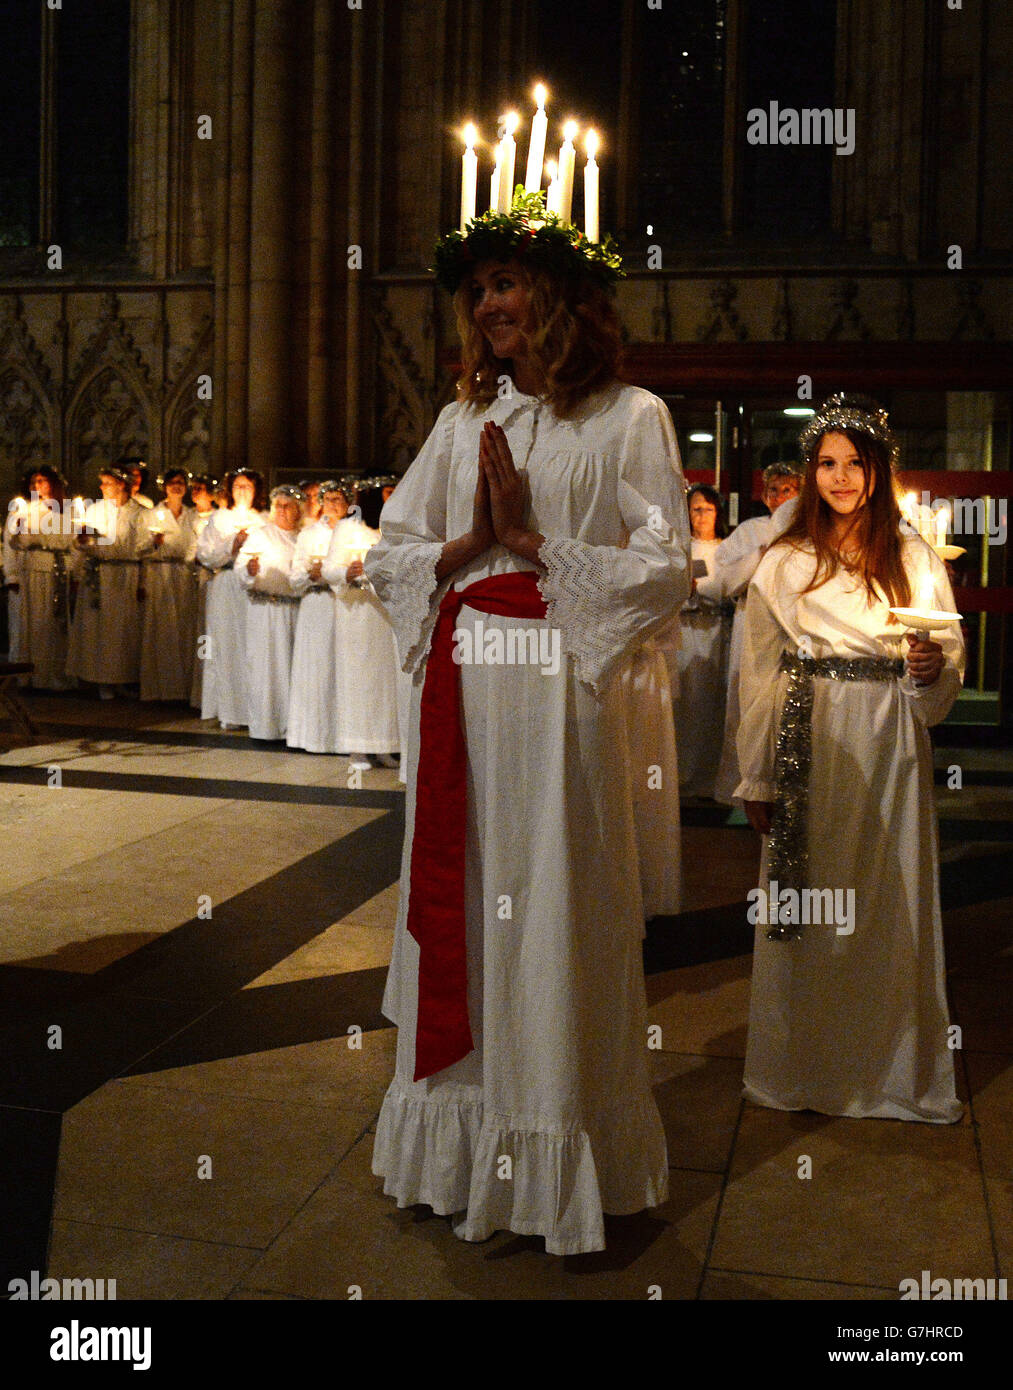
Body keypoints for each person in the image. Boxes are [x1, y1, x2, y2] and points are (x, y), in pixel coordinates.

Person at [365, 193, 691, 1255]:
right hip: (465, 686)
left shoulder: (628, 417)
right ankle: (457, 1151)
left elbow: (664, 567)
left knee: (550, 897)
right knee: (462, 890)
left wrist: (536, 542)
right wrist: (469, 545)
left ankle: (545, 1153)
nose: (487, 305)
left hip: (554, 687)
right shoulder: (463, 421)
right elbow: (389, 552)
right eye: (477, 290)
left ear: (557, 297)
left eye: (505, 283)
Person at [736, 393, 963, 1123]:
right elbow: (758, 670)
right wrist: (756, 771)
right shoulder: (784, 560)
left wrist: (930, 669)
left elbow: (943, 649)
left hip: (889, 736)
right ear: (809, 473)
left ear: (876, 471)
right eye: (826, 463)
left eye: (853, 463)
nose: (839, 477)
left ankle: (888, 1073)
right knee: (809, 905)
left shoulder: (911, 555)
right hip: (809, 739)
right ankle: (801, 1071)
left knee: (884, 899)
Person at [711, 462, 802, 804]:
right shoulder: (750, 531)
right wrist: (759, 559)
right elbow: (723, 577)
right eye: (774, 491)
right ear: (764, 496)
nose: (780, 497)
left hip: (794, 626)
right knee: (747, 697)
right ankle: (742, 787)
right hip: (751, 620)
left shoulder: (809, 529)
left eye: (788, 490)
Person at [321, 503, 400, 769]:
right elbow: (328, 568)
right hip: (357, 614)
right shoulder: (346, 528)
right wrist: (347, 572)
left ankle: (383, 745)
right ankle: (357, 747)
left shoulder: (390, 529)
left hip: (384, 616)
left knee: (384, 681)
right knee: (358, 678)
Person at [195, 468, 268, 729]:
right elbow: (205, 554)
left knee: (252, 645)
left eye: (247, 486)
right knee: (224, 644)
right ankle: (227, 709)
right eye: (237, 486)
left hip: (252, 587)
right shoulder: (219, 518)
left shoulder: (264, 519)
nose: (242, 491)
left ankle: (253, 710)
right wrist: (233, 546)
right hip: (226, 584)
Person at [66, 466, 146, 697]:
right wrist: (82, 543)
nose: (102, 487)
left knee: (122, 630)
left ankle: (121, 678)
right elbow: (80, 544)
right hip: (100, 575)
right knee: (100, 630)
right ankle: (101, 680)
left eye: (107, 483)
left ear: (121, 485)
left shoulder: (138, 512)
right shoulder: (95, 510)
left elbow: (141, 548)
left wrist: (142, 581)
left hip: (126, 575)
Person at [674, 484, 732, 799]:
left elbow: (730, 590)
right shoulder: (680, 549)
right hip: (686, 634)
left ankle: (710, 780)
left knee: (712, 707)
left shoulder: (728, 549)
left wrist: (701, 592)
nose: (702, 515)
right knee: (687, 705)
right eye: (696, 509)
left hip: (716, 635)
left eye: (708, 509)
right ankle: (683, 778)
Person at [286, 481, 350, 753]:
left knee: (342, 667)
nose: (334, 504)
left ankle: (344, 736)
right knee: (316, 667)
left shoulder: (355, 532)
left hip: (346, 605)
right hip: (317, 605)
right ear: (321, 502)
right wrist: (310, 575)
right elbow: (295, 576)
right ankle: (312, 735)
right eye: (329, 499)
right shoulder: (309, 534)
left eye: (339, 499)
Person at [236, 485, 304, 740]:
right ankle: (266, 727)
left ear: (299, 511)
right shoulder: (261, 535)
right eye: (278, 506)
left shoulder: (303, 536)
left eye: (288, 506)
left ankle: (292, 727)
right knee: (267, 668)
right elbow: (241, 567)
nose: (282, 511)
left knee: (292, 669)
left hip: (295, 610)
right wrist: (250, 570)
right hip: (265, 610)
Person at [4, 465, 74, 688]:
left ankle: (53, 676)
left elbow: (74, 544)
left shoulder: (66, 511)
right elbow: (11, 545)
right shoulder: (23, 511)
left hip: (56, 570)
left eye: (43, 480)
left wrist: (74, 571)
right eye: (35, 481)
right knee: (31, 623)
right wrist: (11, 575)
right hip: (30, 571)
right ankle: (30, 677)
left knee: (52, 623)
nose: (38, 485)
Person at [137, 469, 199, 701]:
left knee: (184, 628)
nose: (176, 486)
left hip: (183, 575)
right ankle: (159, 689)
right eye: (172, 483)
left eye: (181, 482)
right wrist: (154, 543)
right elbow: (138, 548)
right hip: (159, 573)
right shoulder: (151, 515)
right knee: (160, 629)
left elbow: (195, 543)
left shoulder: (192, 515)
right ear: (164, 487)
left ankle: (182, 688)